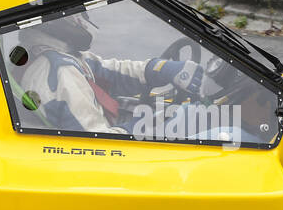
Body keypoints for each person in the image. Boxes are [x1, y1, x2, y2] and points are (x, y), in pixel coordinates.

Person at [14, 13, 220, 134]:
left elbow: (107, 72)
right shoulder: (61, 73)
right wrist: (142, 128)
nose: (82, 22)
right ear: (56, 22)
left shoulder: (55, 55)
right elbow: (96, 146)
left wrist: (158, 69)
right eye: (76, 17)